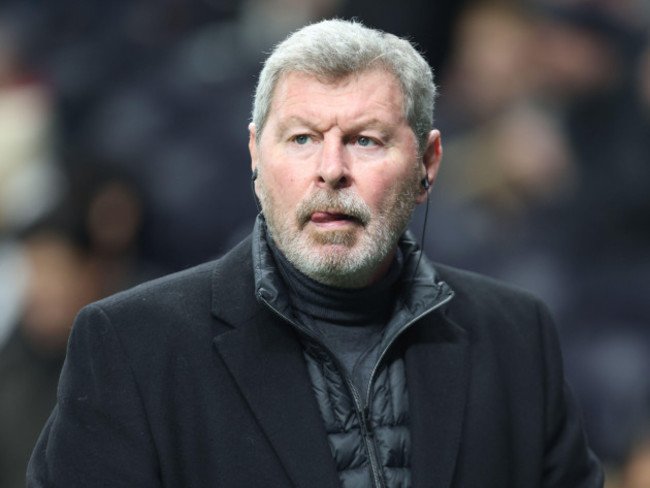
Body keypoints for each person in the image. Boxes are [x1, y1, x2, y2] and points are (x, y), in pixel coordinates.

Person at [27, 19, 603, 487]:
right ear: (255, 156)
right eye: (302, 138)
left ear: (428, 164)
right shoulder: (131, 346)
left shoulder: (517, 336)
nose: (331, 170)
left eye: (365, 140)